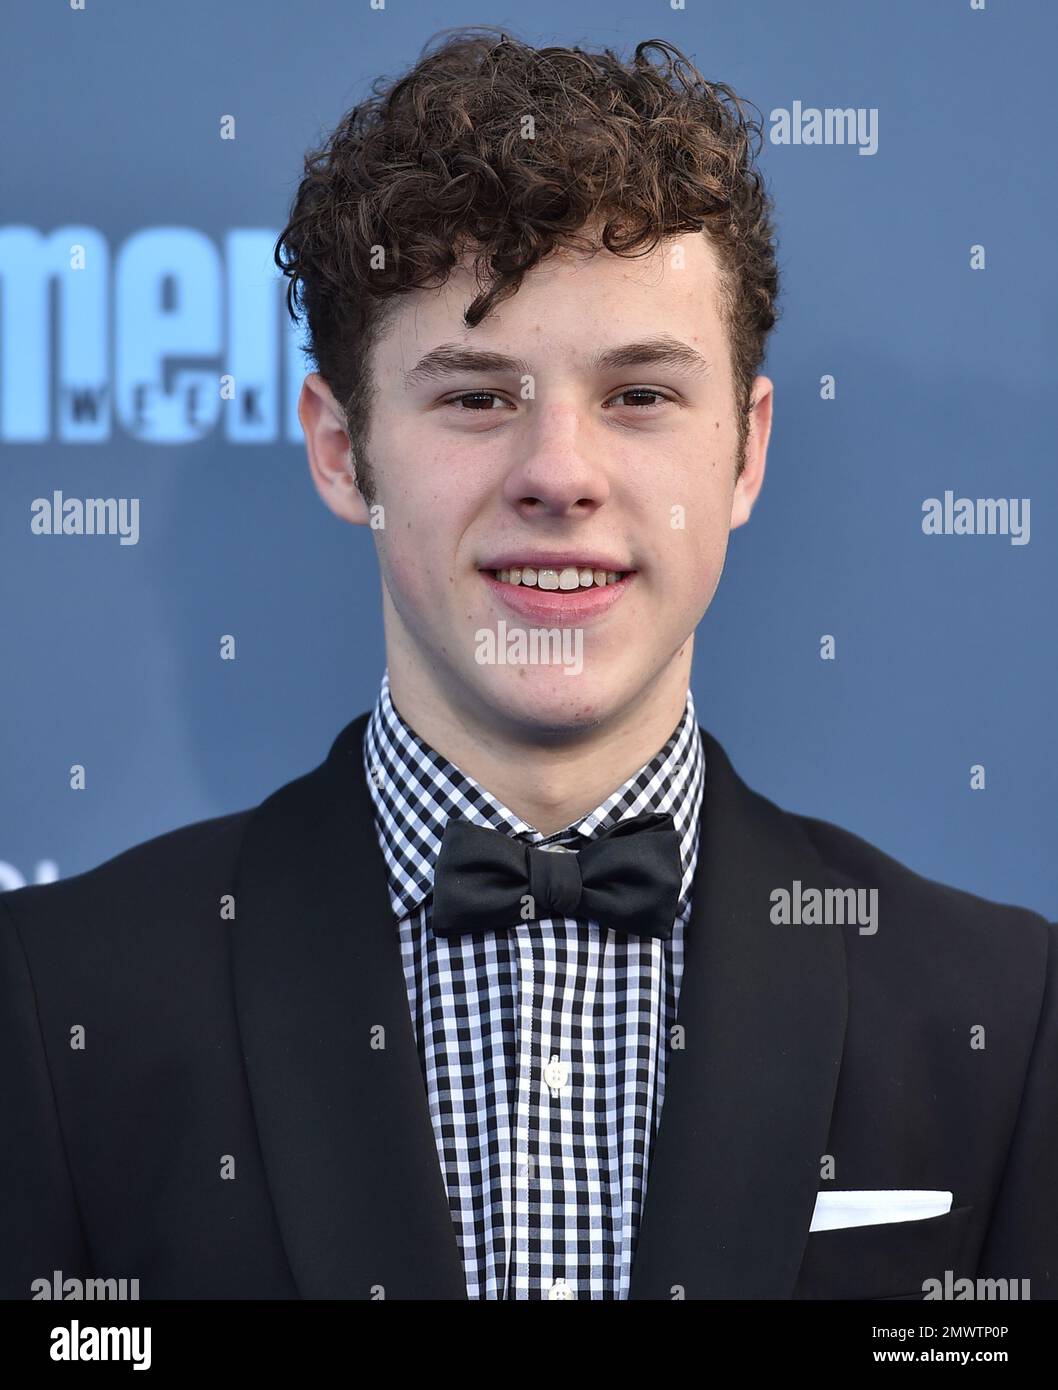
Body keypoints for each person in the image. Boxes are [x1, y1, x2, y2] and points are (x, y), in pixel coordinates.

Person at [2, 29, 1055, 1302]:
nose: (559, 471)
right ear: (341, 453)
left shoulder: (1000, 1016)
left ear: (745, 453)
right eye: (475, 397)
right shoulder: (56, 1003)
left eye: (639, 396)